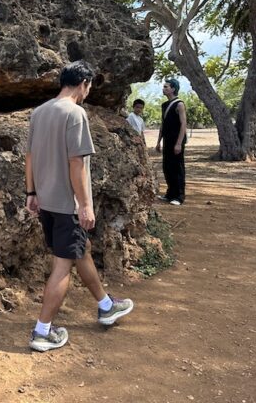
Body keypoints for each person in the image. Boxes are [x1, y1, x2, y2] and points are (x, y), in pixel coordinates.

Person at [25, 61, 134, 352]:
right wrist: (85, 205)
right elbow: (77, 163)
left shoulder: (39, 112)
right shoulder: (75, 113)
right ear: (83, 83)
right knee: (62, 266)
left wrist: (31, 192)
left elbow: (30, 157)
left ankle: (106, 305)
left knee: (79, 250)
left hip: (47, 202)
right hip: (67, 205)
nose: (88, 93)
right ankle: (42, 332)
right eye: (89, 87)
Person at [155, 78, 187, 205]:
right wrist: (158, 141)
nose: (164, 89)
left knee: (177, 167)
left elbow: (183, 123)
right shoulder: (164, 105)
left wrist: (179, 143)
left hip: (176, 140)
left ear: (173, 89)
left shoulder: (179, 104)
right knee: (167, 167)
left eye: (166, 87)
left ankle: (179, 196)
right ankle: (170, 194)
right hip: (167, 140)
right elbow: (163, 124)